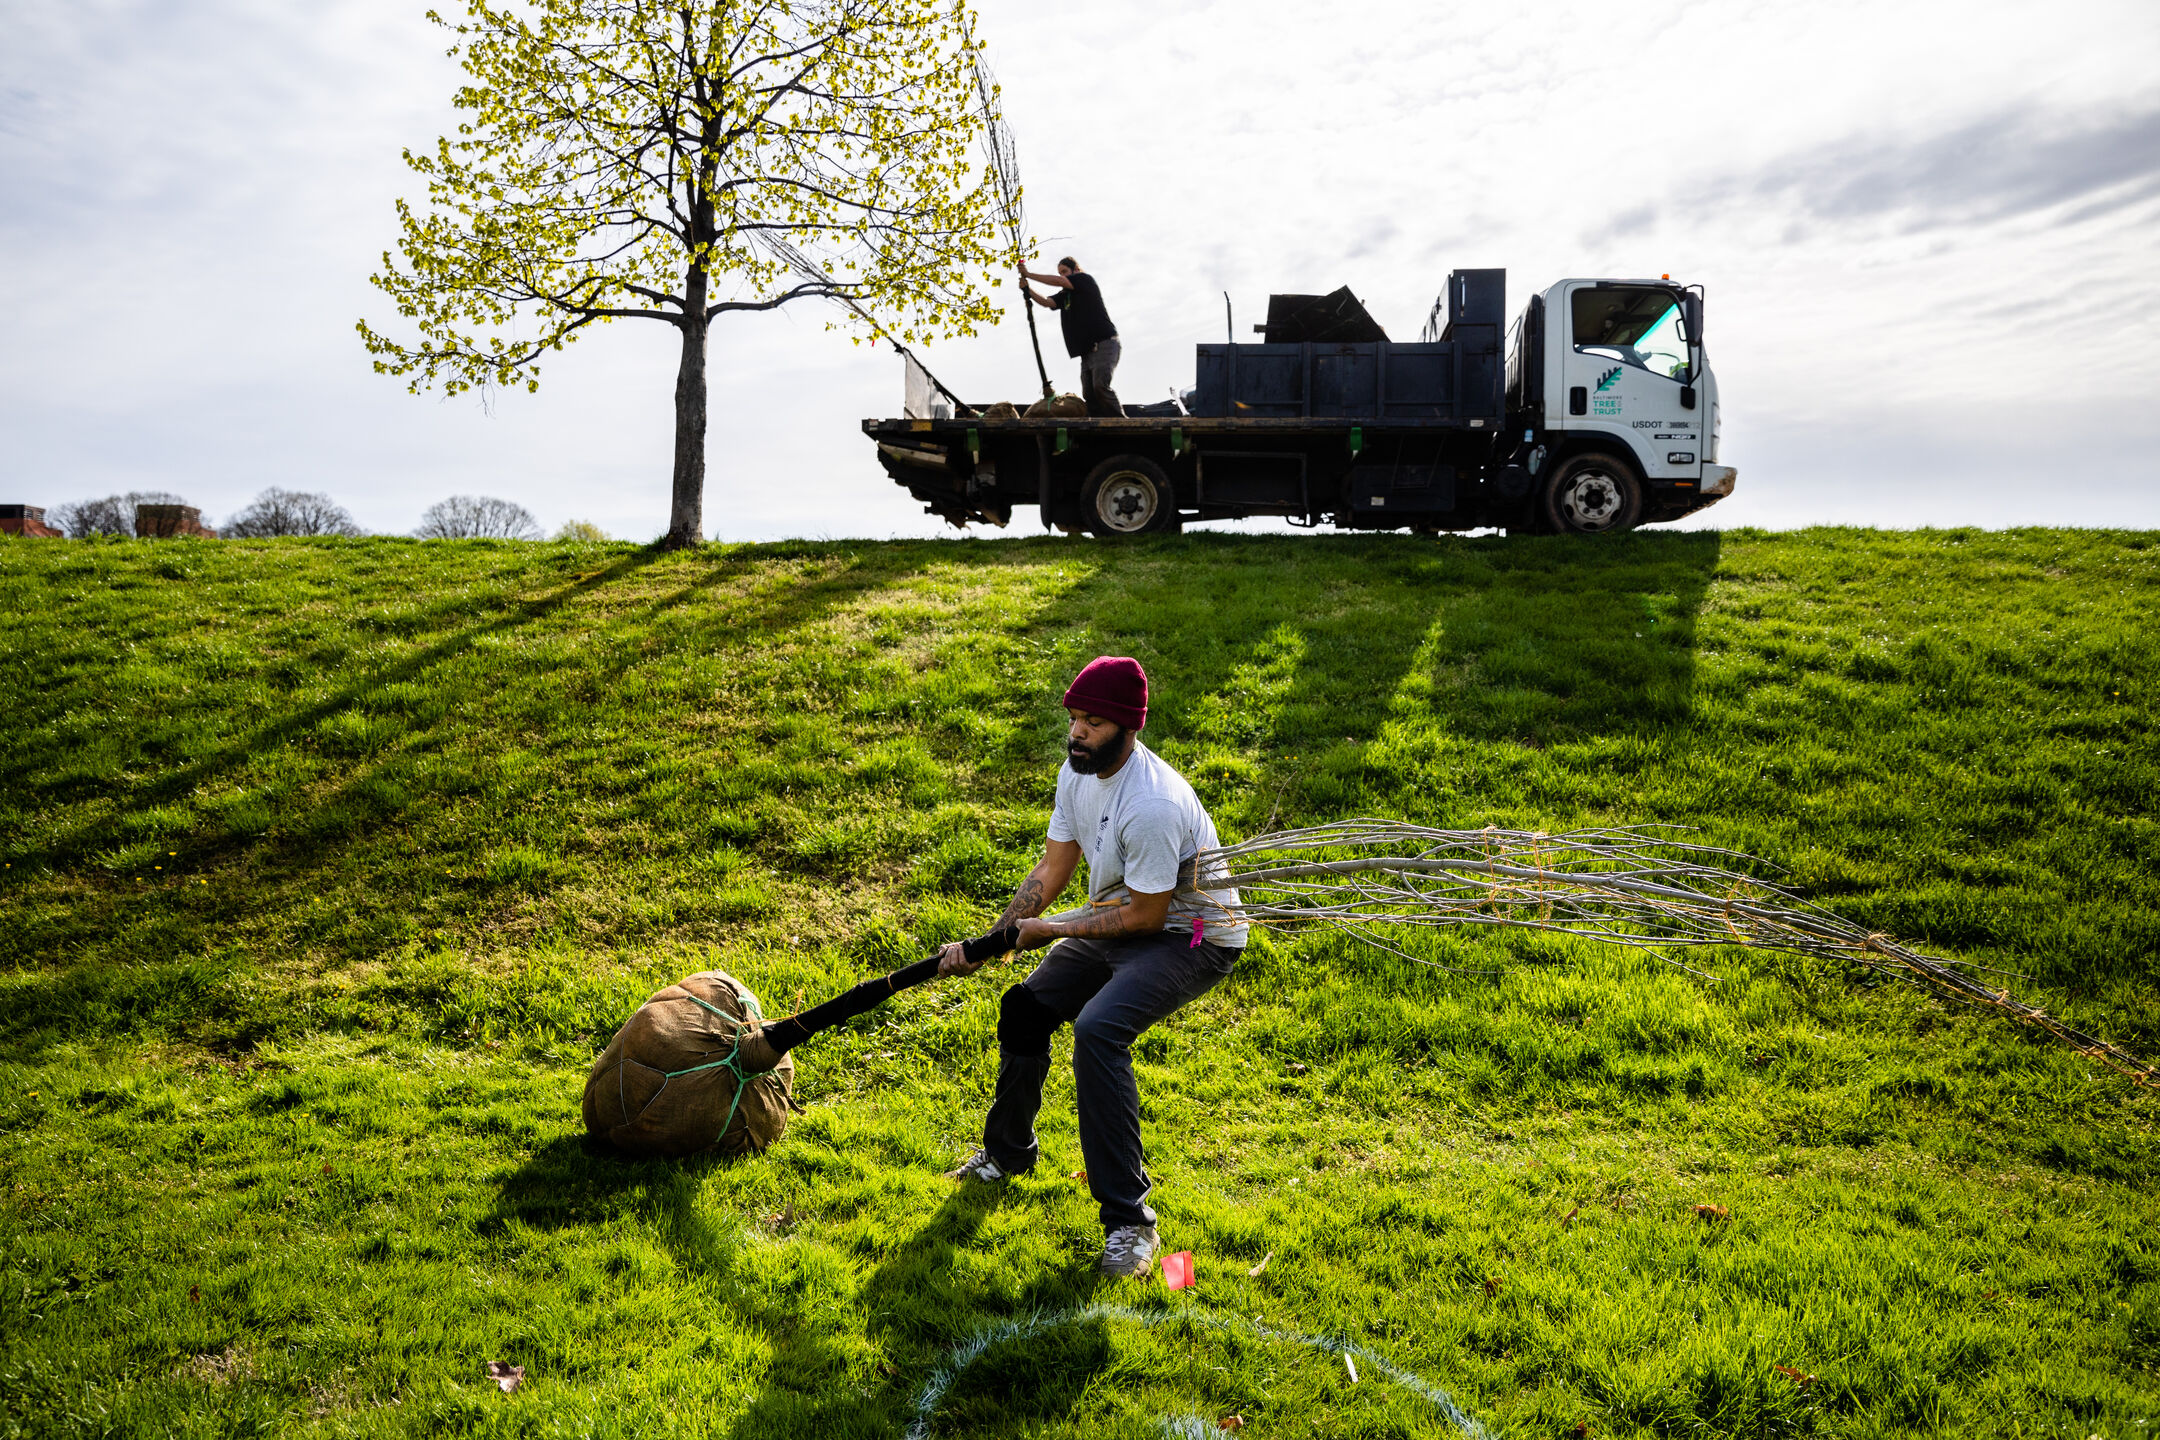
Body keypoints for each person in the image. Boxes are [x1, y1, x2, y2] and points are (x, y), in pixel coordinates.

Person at [937, 656, 1247, 1277]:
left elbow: (1146, 919)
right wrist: (991, 942)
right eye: (1074, 718)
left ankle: (1131, 1225)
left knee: (1099, 1031)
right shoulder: (1076, 774)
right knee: (1025, 1008)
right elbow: (1053, 870)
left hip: (1190, 935)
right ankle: (1007, 1156)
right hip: (1119, 913)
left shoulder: (1154, 805)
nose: (1077, 732)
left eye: (1093, 723)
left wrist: (1049, 929)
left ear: (1128, 729)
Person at [1020, 257, 1123, 417]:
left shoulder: (1084, 280)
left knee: (1100, 386)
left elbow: (1057, 281)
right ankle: (1097, 424)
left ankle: (1120, 422)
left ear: (1075, 270)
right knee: (1088, 393)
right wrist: (1028, 290)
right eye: (1060, 273)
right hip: (1087, 350)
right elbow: (1048, 302)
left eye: (1065, 272)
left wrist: (1028, 274)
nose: (1063, 276)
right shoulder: (1065, 294)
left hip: (1104, 343)